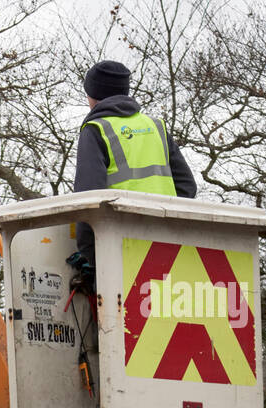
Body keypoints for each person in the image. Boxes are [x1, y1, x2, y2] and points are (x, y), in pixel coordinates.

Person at [69, 60, 197, 290]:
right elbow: (187, 187)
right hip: (168, 247)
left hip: (120, 251)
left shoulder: (96, 130)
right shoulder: (156, 126)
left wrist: (89, 260)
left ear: (93, 95)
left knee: (119, 324)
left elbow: (88, 201)